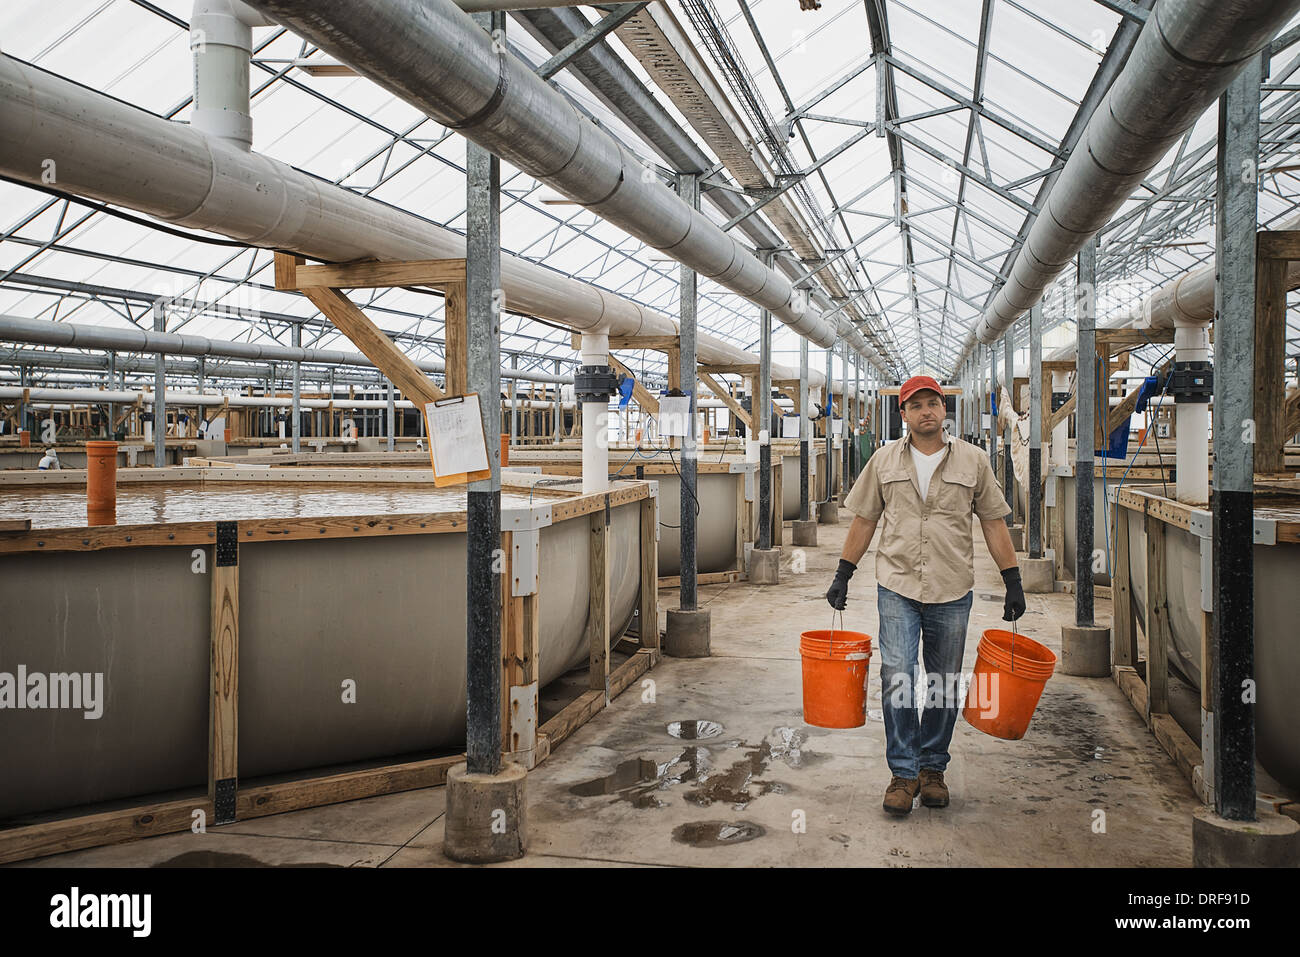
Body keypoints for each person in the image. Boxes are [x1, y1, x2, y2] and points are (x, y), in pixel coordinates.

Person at [826, 375, 1024, 816]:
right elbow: (864, 521)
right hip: (897, 585)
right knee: (898, 673)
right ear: (904, 414)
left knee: (943, 681)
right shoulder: (882, 461)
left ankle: (933, 768)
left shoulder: (973, 461)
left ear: (943, 409)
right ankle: (902, 772)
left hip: (952, 587)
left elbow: (993, 522)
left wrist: (1012, 579)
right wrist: (843, 573)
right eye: (916, 405)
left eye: (933, 403)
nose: (926, 411)